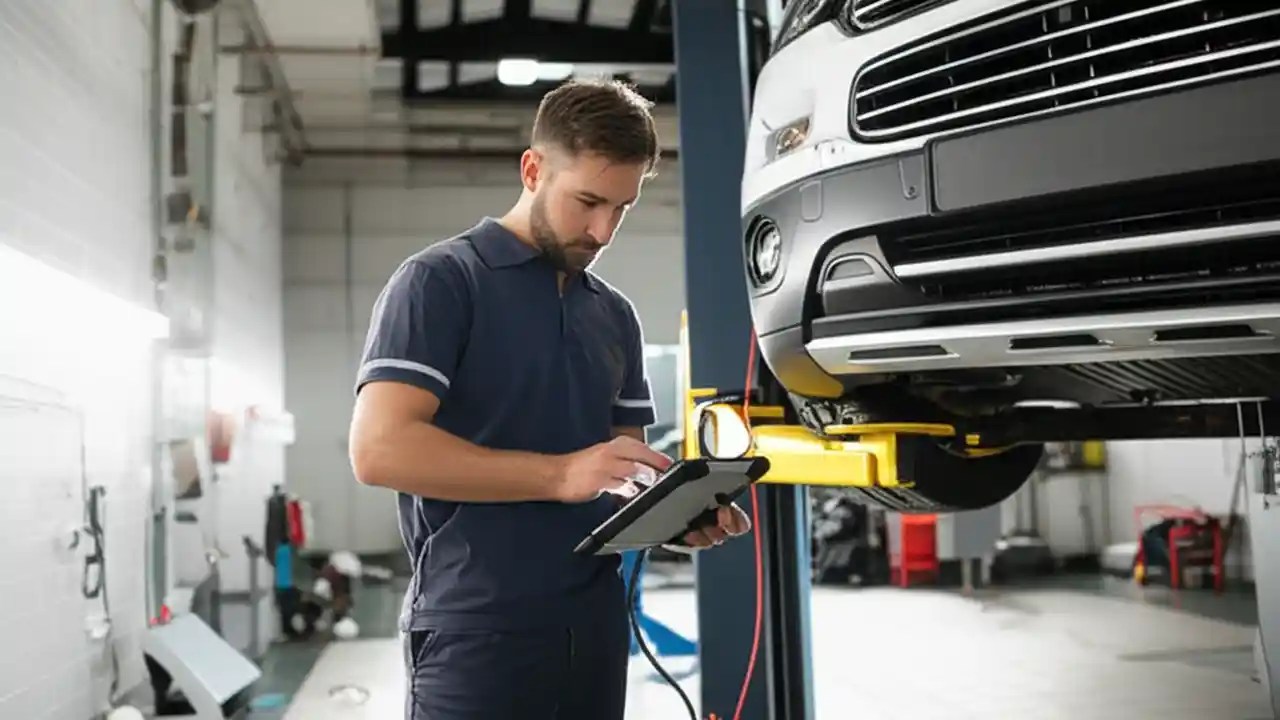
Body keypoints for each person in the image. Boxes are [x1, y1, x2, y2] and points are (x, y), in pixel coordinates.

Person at [347, 78, 751, 720]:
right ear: (533, 169)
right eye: (588, 201)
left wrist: (673, 519)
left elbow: (623, 475)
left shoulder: (613, 316)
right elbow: (379, 450)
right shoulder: (439, 284)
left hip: (592, 627)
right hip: (476, 631)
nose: (604, 230)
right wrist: (559, 473)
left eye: (622, 207)